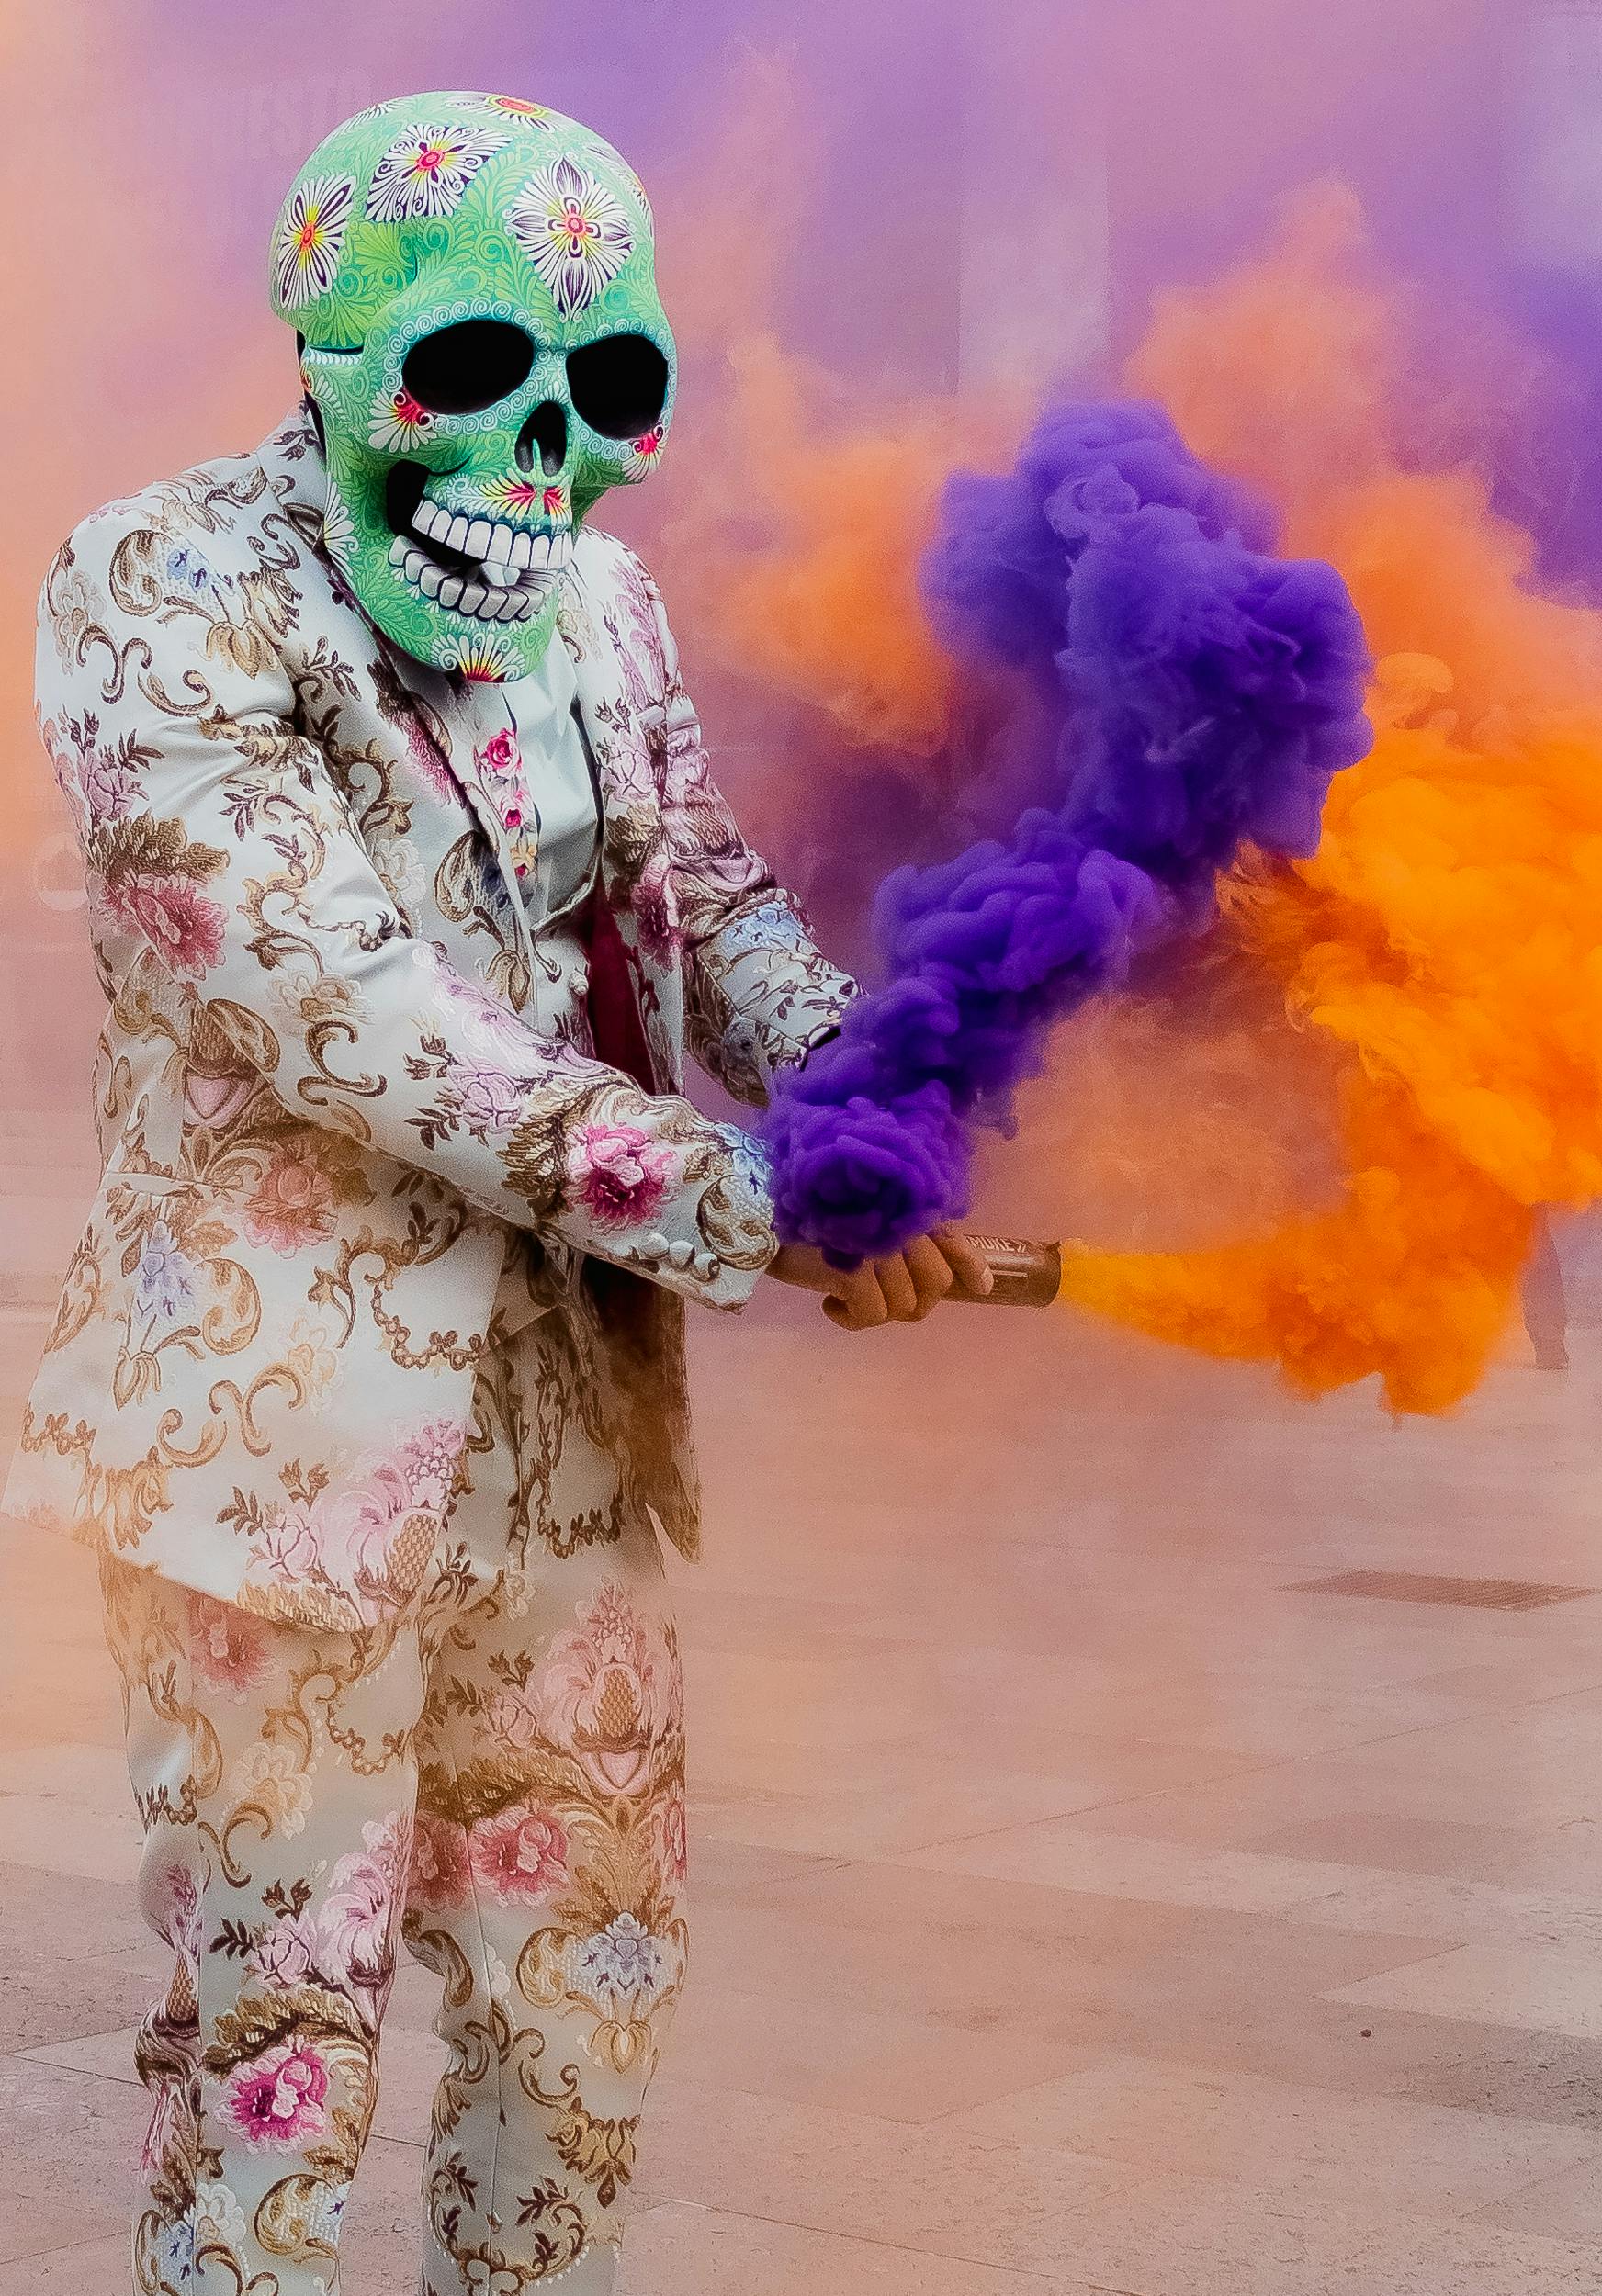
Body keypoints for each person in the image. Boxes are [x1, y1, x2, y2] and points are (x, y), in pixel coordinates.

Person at [8, 91, 987, 2296]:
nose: (538, 453)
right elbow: (339, 1014)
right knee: (278, 2036)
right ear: (330, 353)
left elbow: (705, 901)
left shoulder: (608, 608)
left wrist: (870, 1102)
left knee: (583, 2009)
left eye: (605, 392)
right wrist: (740, 1200)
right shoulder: (153, 584)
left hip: (565, 1448)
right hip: (272, 1457)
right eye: (470, 375)